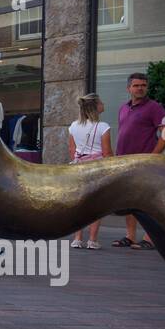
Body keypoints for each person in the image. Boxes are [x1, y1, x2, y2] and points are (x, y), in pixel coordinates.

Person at [113, 72, 165, 249]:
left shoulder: (155, 107)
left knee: (147, 202)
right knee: (129, 202)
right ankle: (130, 236)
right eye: (136, 85)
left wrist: (153, 157)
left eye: (143, 85)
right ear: (128, 88)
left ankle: (150, 238)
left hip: (144, 163)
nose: (140, 88)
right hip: (124, 162)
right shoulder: (123, 108)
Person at [68, 93, 112, 249]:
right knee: (96, 204)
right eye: (101, 102)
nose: (103, 104)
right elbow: (107, 152)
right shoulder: (103, 127)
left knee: (79, 203)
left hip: (79, 166)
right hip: (97, 167)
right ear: (96, 107)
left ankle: (77, 238)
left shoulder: (73, 126)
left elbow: (72, 150)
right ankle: (92, 240)